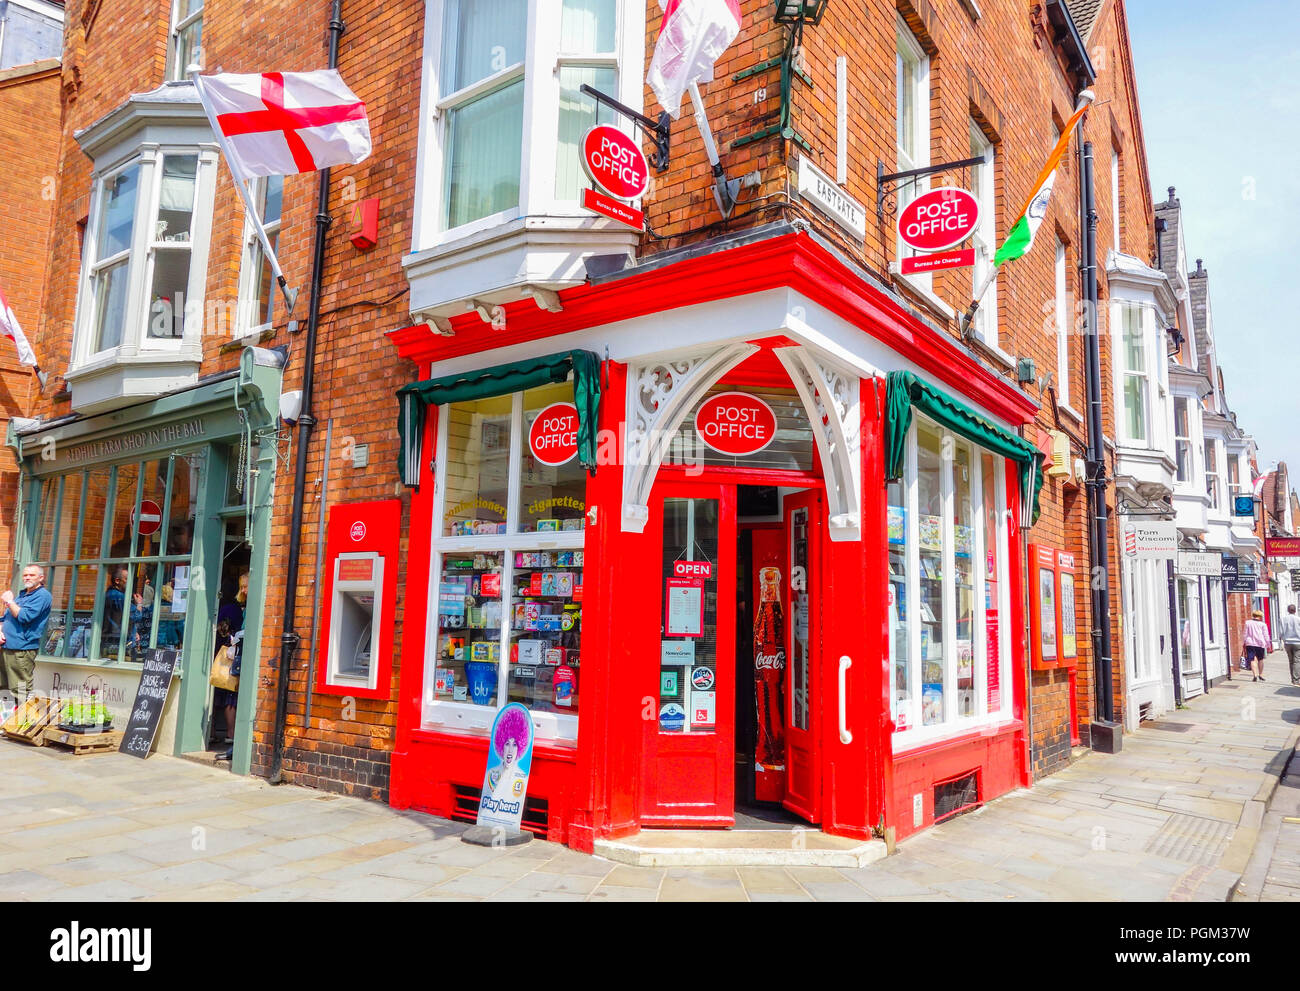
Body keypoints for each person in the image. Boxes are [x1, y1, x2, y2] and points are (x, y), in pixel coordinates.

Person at [0, 565, 53, 703]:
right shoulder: (23, 594)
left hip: (22, 649)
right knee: (3, 689)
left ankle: (23, 723)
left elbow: (24, 616)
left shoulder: (42, 596)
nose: (27, 578)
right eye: (25, 575)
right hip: (6, 647)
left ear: (41, 578)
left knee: (20, 690)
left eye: (31, 575)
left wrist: (10, 601)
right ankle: (7, 722)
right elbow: (5, 618)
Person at [212, 619, 239, 762]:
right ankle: (230, 733)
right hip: (228, 670)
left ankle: (213, 731)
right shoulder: (231, 632)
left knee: (219, 698)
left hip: (222, 668)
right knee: (230, 699)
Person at [1243, 609, 1271, 682]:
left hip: (1250, 643)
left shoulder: (1247, 623)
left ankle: (1255, 675)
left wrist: (1244, 641)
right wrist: (1268, 644)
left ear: (1253, 615)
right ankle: (1261, 674)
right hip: (1260, 643)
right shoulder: (1263, 624)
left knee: (1252, 659)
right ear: (1260, 616)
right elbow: (1266, 635)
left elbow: (1245, 634)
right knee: (1260, 659)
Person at [1279, 604, 1300, 686]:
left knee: (1291, 661)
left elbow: (1281, 632)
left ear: (1288, 610)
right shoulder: (1298, 619)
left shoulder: (1283, 619)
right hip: (1298, 642)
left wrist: (1283, 639)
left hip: (1287, 642)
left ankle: (1293, 679)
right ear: (1295, 610)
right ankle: (1296, 680)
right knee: (1297, 661)